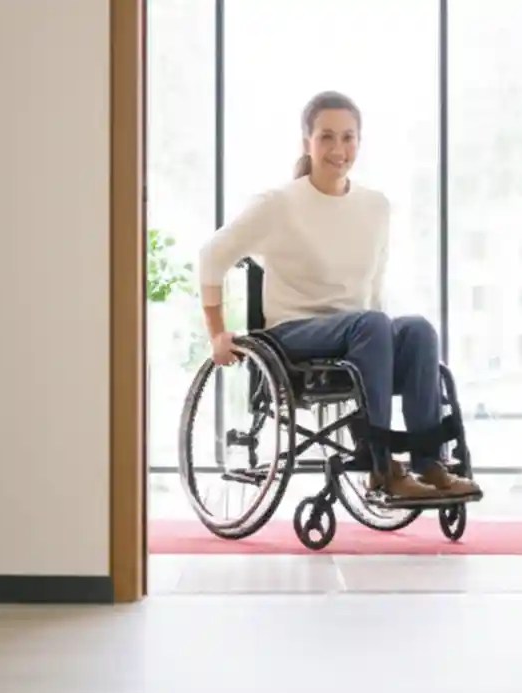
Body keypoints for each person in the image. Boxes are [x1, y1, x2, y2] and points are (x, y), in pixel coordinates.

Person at [196, 90, 481, 503]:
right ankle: (381, 464)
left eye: (348, 138)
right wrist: (217, 332)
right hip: (292, 333)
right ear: (306, 143)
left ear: (359, 143)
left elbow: (373, 290)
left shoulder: (375, 207)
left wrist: (386, 345)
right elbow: (211, 256)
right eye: (326, 137)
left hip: (362, 333)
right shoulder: (279, 204)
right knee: (372, 323)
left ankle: (429, 461)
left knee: (417, 329)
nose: (338, 149)